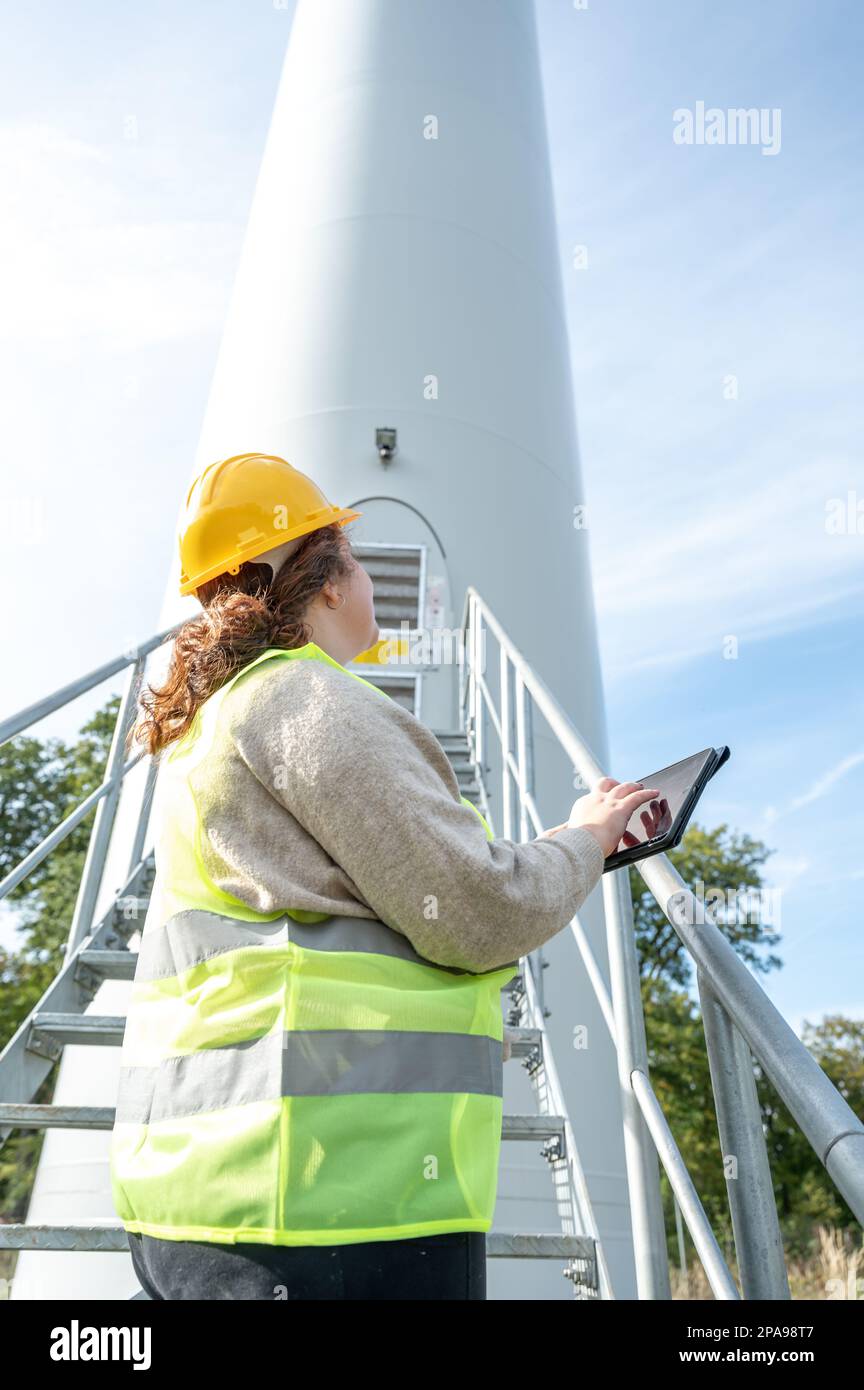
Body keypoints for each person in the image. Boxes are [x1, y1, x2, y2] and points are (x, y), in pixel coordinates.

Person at [109, 452, 661, 1301]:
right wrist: (586, 842)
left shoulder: (216, 722)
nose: (368, 580)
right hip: (334, 1213)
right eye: (357, 561)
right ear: (327, 583)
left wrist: (570, 844)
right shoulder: (305, 700)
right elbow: (478, 911)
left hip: (207, 1198)